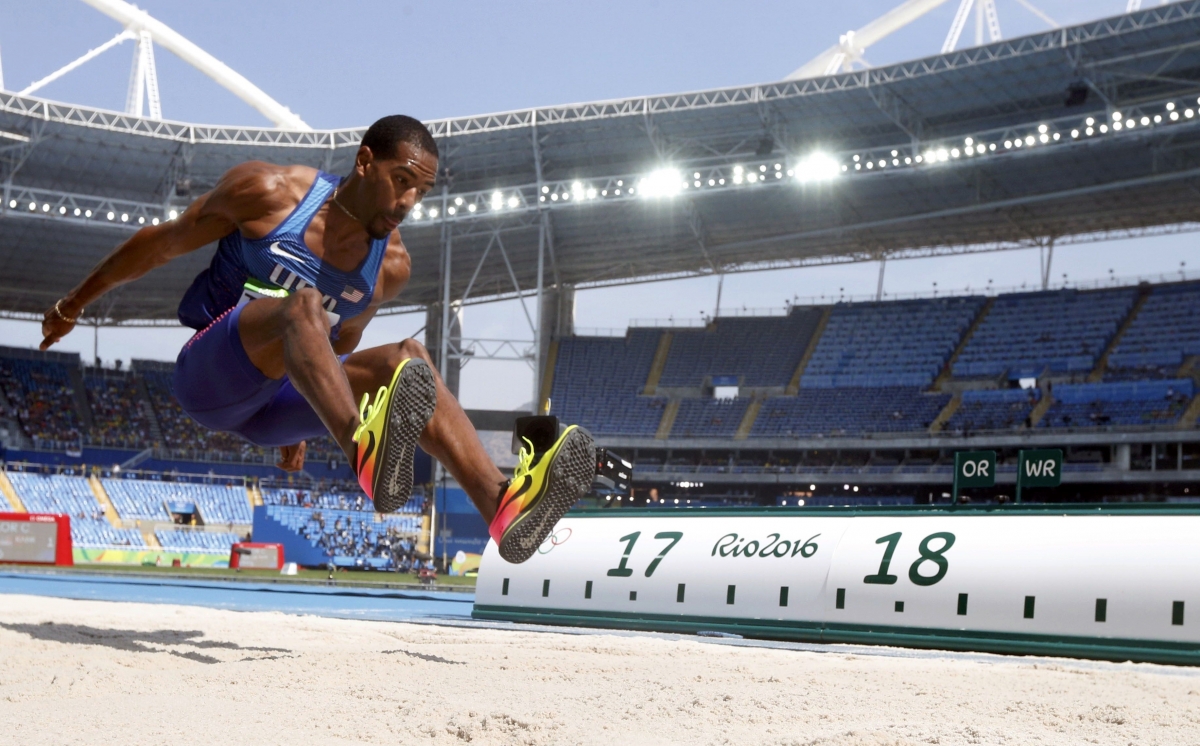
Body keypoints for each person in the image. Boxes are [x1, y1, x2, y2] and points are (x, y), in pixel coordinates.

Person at [39, 114, 594, 564]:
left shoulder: (389, 268)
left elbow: (344, 345)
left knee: (411, 359)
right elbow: (159, 245)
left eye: (420, 192)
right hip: (210, 376)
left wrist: (313, 396)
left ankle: (501, 505)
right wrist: (72, 304)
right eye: (401, 181)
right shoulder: (267, 192)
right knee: (302, 305)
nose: (406, 203)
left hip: (276, 409)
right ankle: (363, 447)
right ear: (364, 162)